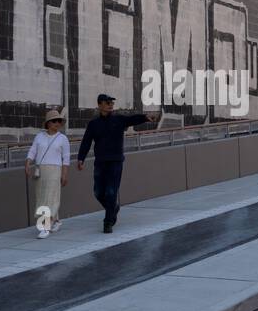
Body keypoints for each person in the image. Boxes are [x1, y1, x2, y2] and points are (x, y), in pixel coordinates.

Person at [76, 93, 159, 233]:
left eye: (112, 103)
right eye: (108, 102)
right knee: (98, 192)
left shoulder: (118, 120)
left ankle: (108, 222)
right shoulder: (93, 124)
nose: (111, 105)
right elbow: (86, 142)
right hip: (100, 162)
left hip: (115, 162)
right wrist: (81, 158)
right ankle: (113, 208)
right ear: (100, 104)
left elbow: (131, 119)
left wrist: (145, 117)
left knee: (111, 192)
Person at [24, 107, 70, 239]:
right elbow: (33, 151)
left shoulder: (63, 139)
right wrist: (28, 162)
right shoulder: (39, 136)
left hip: (55, 170)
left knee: (50, 197)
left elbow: (66, 158)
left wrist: (64, 174)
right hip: (40, 170)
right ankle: (56, 221)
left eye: (59, 121)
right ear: (48, 123)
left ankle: (44, 226)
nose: (57, 123)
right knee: (41, 198)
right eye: (55, 121)